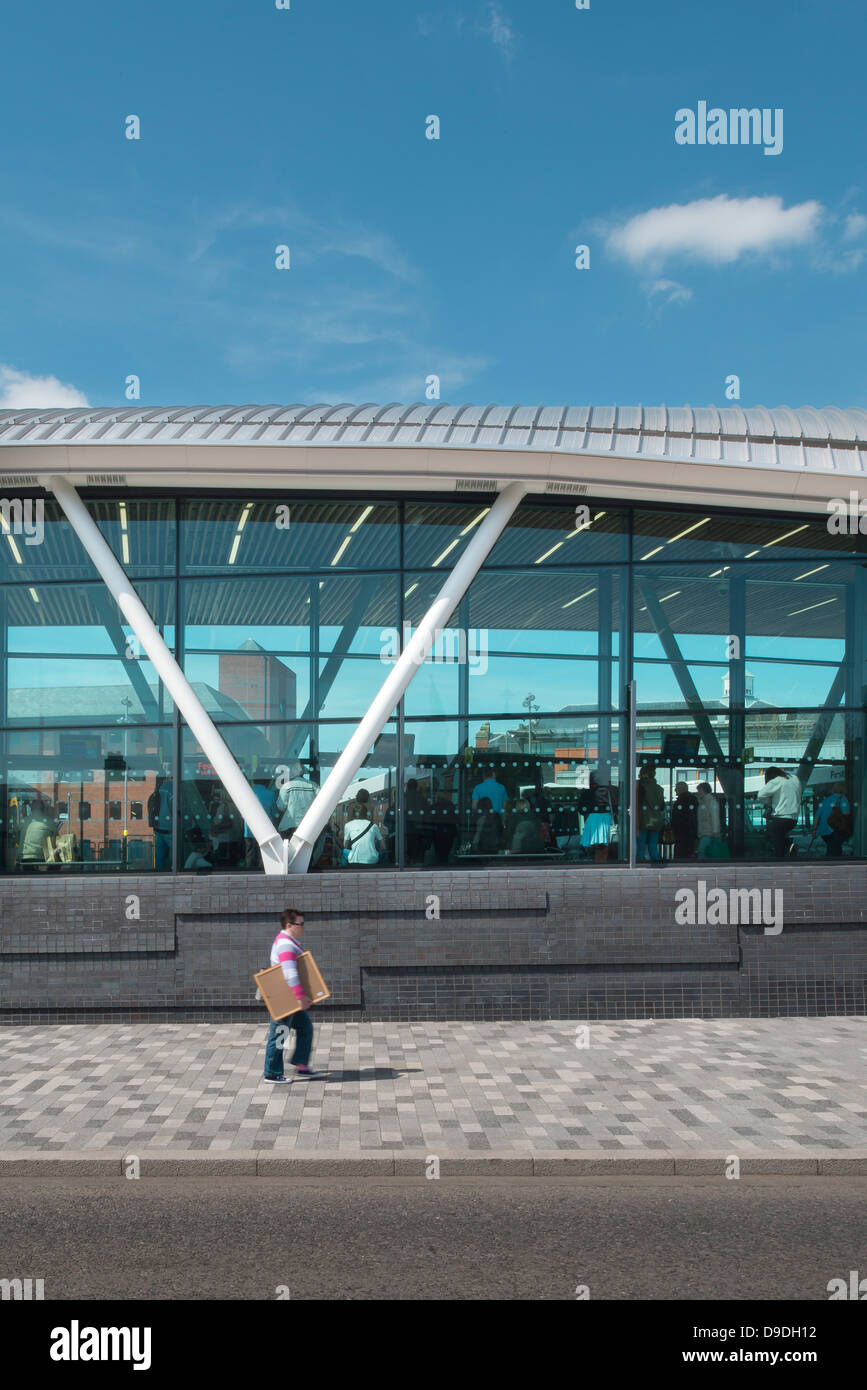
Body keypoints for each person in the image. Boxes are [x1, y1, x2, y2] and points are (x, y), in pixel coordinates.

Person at [263, 908, 323, 1083]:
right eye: (300, 924)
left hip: (291, 999)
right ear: (289, 925)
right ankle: (272, 1073)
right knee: (280, 1034)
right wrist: (300, 996)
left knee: (305, 1028)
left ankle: (301, 1065)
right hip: (286, 999)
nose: (303, 927)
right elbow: (290, 973)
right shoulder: (286, 944)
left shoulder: (289, 941)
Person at [757, 766, 802, 859]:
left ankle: (779, 858)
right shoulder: (795, 779)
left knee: (773, 835)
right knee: (780, 835)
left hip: (780, 817)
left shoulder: (776, 781)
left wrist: (769, 802)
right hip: (793, 819)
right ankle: (789, 845)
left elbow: (760, 795)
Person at [578, 769, 618, 863]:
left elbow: (581, 809)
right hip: (607, 820)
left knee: (595, 848)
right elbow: (618, 807)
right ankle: (603, 865)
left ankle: (597, 865)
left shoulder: (588, 792)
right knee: (605, 847)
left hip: (592, 820)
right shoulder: (613, 790)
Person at [244, 778, 277, 869]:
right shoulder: (271, 794)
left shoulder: (246, 793)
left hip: (249, 830)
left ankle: (249, 873)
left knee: (250, 853)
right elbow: (274, 813)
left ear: (253, 780)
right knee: (264, 854)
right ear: (267, 782)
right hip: (266, 832)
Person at [813, 781, 852, 858]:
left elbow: (817, 816)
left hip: (823, 831)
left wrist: (814, 830)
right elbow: (846, 814)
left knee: (833, 848)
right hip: (836, 829)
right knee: (834, 851)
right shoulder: (843, 799)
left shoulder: (825, 800)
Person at [636, 763, 665, 862]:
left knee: (641, 847)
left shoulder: (639, 787)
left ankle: (639, 870)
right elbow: (662, 806)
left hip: (642, 820)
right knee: (653, 847)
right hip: (656, 820)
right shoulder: (659, 788)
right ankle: (657, 868)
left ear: (643, 774)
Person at [341, 801, 384, 865]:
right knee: (383, 854)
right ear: (366, 813)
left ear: (354, 814)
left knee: (343, 852)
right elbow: (383, 845)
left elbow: (345, 845)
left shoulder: (348, 825)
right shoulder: (373, 825)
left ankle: (344, 871)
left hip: (355, 859)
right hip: (372, 860)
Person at [404, 778, 432, 864]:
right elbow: (427, 816)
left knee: (405, 856)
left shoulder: (403, 797)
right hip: (419, 831)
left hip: (406, 831)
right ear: (416, 787)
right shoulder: (422, 799)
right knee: (418, 857)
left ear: (408, 787)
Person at [670, 781, 698, 859]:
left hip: (682, 830)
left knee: (681, 850)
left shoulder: (681, 800)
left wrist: (674, 825)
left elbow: (678, 816)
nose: (675, 790)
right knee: (689, 850)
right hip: (690, 830)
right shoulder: (693, 799)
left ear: (681, 789)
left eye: (676, 788)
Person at [696, 781, 722, 857]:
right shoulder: (703, 802)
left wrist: (715, 831)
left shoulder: (710, 802)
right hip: (706, 832)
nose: (698, 793)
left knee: (702, 851)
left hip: (709, 832)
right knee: (707, 851)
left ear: (704, 790)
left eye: (699, 790)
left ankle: (703, 867)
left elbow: (715, 817)